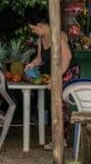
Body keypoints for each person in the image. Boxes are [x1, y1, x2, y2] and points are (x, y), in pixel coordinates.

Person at [24, 10, 80, 147]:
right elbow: (40, 59)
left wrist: (56, 78)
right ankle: (59, 138)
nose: (33, 32)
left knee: (60, 104)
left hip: (68, 71)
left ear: (40, 25)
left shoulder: (58, 35)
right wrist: (32, 64)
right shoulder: (41, 39)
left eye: (33, 29)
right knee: (54, 104)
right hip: (56, 73)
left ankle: (61, 139)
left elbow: (67, 58)